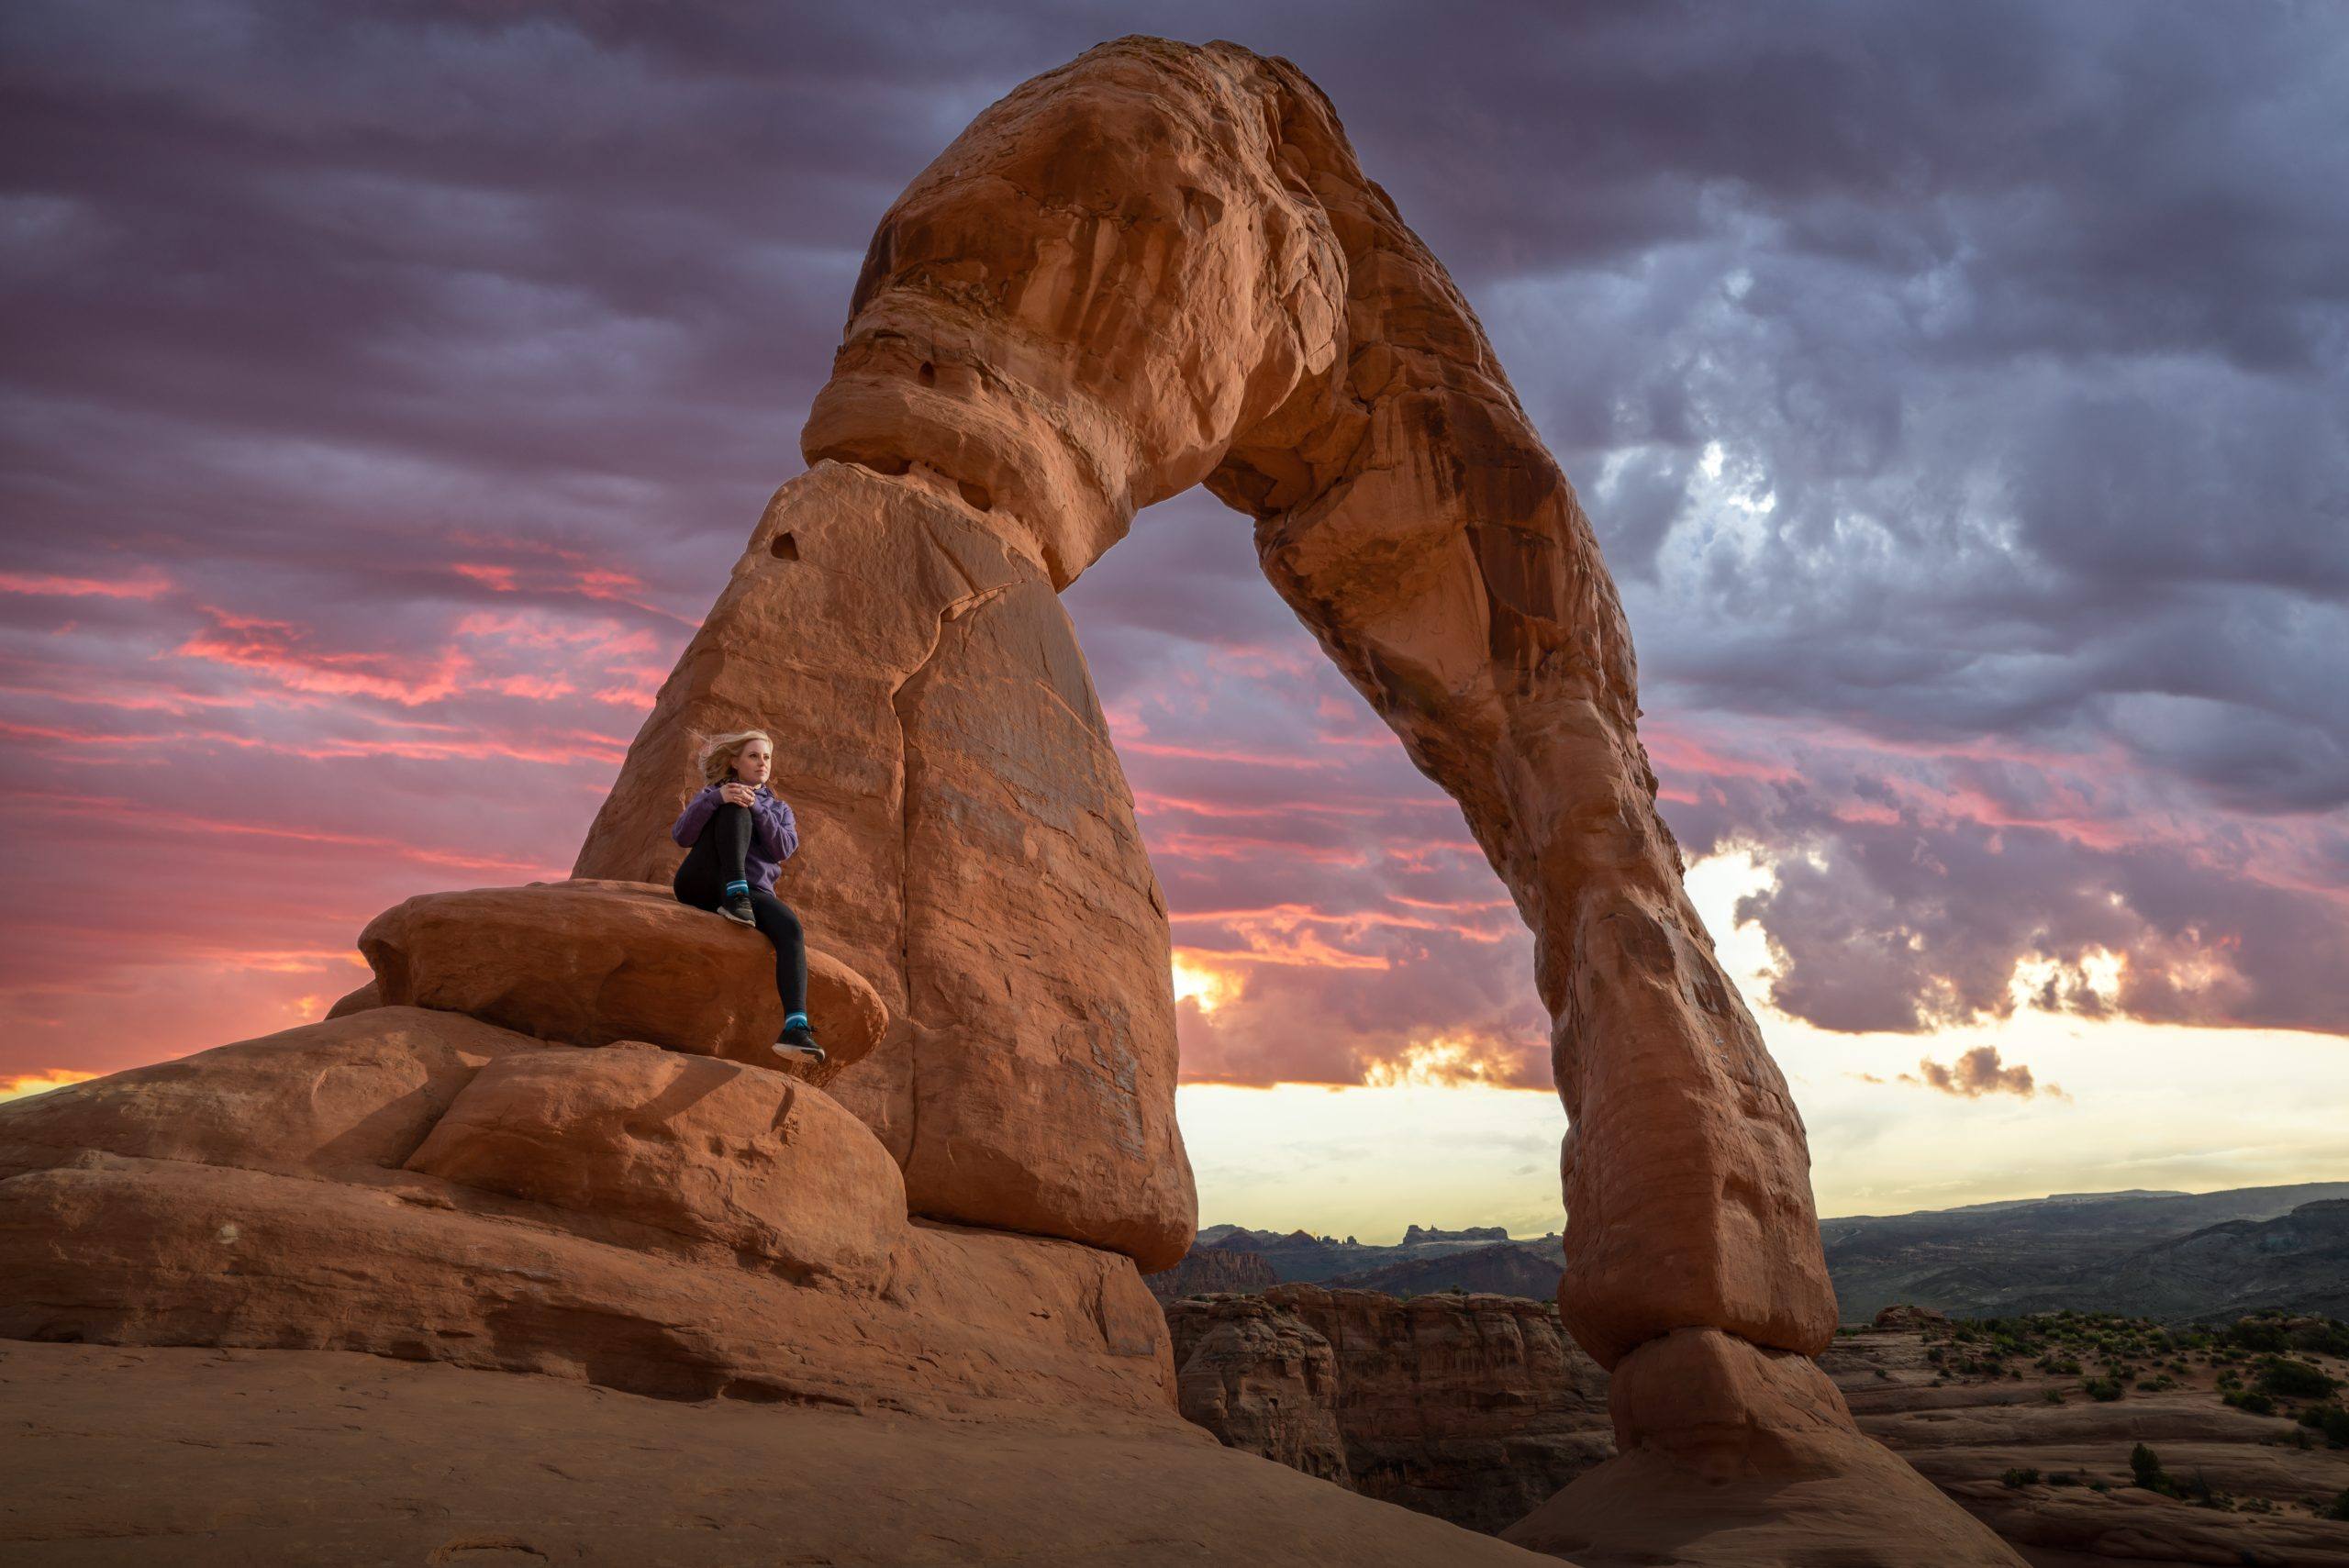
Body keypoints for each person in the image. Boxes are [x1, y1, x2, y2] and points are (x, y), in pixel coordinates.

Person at [671, 728, 823, 1063]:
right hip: (702, 884)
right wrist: (718, 799)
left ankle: (796, 1028)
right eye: (754, 756)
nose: (762, 763)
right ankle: (734, 894)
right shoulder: (711, 793)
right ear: (735, 761)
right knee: (733, 805)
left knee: (790, 929)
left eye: (766, 757)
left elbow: (784, 848)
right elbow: (681, 836)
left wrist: (758, 809)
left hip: (753, 894)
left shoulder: (780, 809)